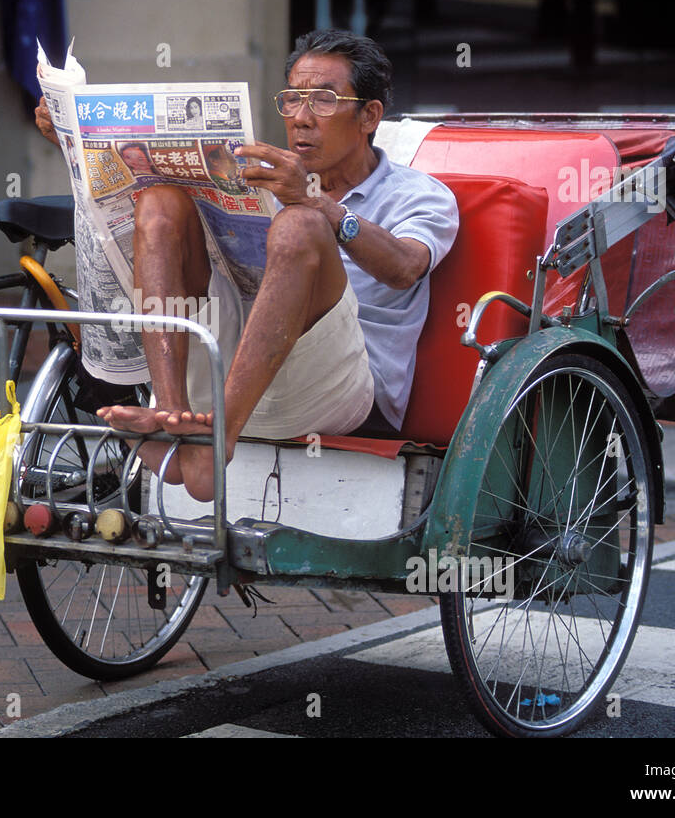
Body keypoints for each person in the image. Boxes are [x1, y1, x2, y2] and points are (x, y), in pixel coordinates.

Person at [34, 29, 458, 502]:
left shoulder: (420, 194)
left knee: (299, 227)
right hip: (238, 358)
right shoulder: (262, 177)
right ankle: (172, 419)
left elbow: (404, 268)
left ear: (369, 116)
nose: (300, 118)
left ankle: (217, 444)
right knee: (159, 203)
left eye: (323, 100)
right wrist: (77, 145)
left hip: (342, 386)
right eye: (292, 99)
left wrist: (318, 204)